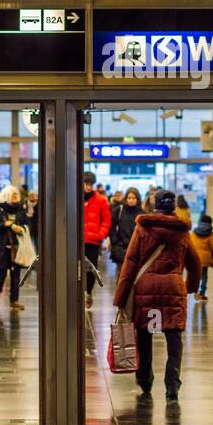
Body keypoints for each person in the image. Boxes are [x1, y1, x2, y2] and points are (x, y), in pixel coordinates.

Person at [113, 190, 202, 403]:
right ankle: (172, 385)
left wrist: (121, 296)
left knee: (146, 334)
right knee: (173, 337)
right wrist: (190, 286)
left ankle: (145, 380)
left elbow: (131, 263)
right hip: (173, 289)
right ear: (173, 207)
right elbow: (195, 263)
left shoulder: (142, 228)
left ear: (155, 204)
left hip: (147, 290)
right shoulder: (182, 232)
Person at [0, 185, 29, 310]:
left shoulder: (20, 210)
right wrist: (4, 224)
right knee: (1, 274)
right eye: (13, 195)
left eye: (16, 195)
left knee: (15, 275)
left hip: (16, 247)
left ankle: (14, 300)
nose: (15, 197)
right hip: (1, 247)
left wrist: (21, 228)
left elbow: (26, 225)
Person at [82, 170, 112, 308]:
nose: (88, 187)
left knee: (91, 269)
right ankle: (79, 292)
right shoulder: (74, 197)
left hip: (93, 241)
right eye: (86, 184)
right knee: (76, 268)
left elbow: (106, 220)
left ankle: (88, 292)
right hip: (77, 241)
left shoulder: (101, 200)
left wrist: (101, 235)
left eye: (90, 184)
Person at [109, 187, 141, 272]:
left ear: (137, 199)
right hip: (121, 248)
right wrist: (114, 241)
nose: (131, 200)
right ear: (126, 198)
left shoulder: (142, 213)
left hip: (136, 250)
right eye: (129, 198)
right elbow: (111, 226)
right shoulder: (119, 210)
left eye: (133, 198)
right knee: (121, 277)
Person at [189, 213, 213, 301]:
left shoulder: (194, 233)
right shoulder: (210, 235)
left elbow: (189, 244)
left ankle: (195, 290)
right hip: (205, 259)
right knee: (204, 276)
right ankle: (202, 293)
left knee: (196, 275)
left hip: (195, 258)